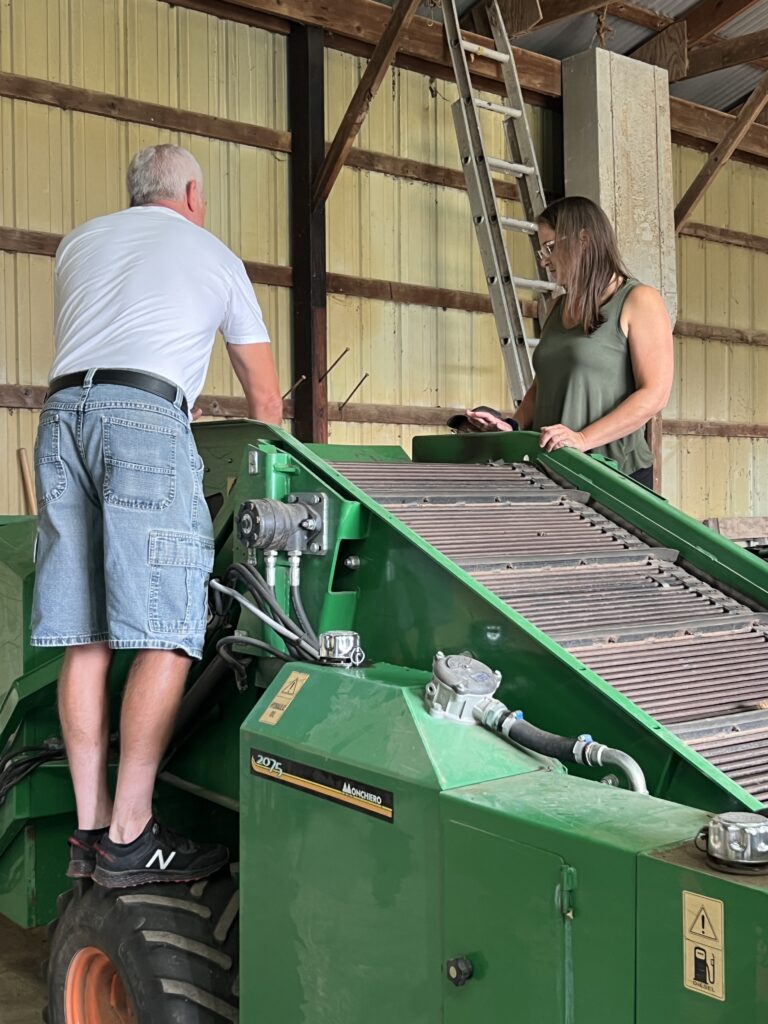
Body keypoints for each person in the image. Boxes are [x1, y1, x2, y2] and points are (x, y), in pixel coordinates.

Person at [31, 144, 283, 888]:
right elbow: (266, 403)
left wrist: (165, 391)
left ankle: (87, 830)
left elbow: (110, 342)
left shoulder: (79, 242)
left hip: (61, 419)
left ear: (134, 193)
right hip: (143, 425)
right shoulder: (213, 253)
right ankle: (132, 833)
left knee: (85, 635)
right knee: (170, 633)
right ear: (194, 194)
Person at [455, 196, 674, 489]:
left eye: (550, 247)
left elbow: (655, 394)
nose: (544, 260)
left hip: (615, 475)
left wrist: (582, 439)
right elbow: (541, 385)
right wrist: (512, 425)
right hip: (553, 471)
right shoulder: (558, 308)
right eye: (541, 251)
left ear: (583, 240)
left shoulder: (639, 300)